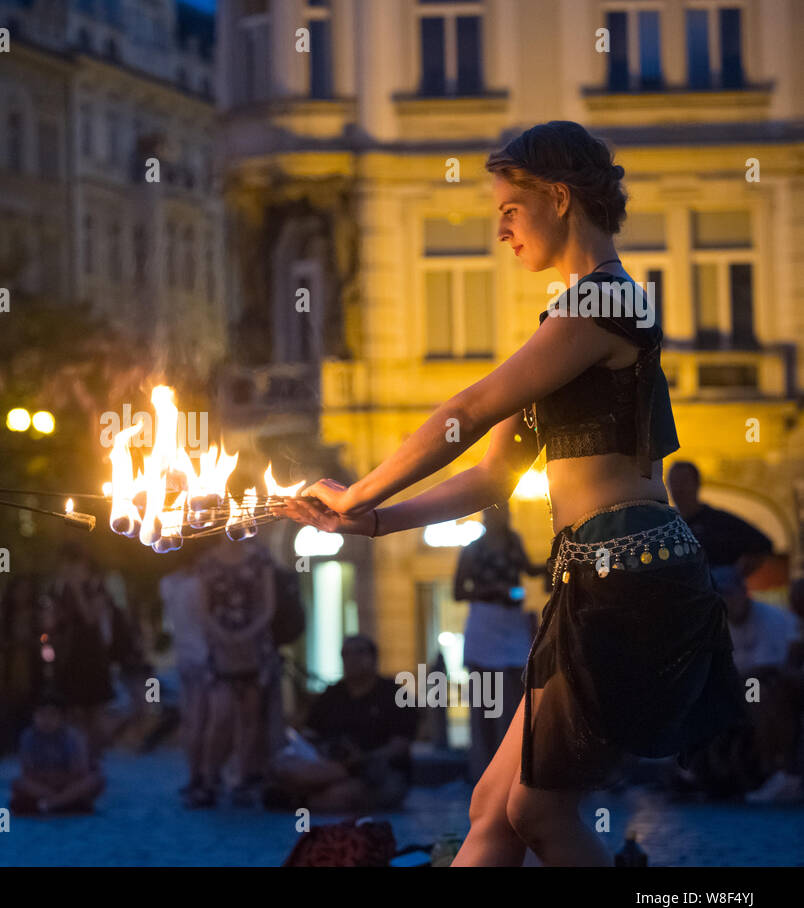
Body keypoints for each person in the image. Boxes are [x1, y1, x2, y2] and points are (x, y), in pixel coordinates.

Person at [287, 122, 748, 866]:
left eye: (509, 209)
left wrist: (352, 494)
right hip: (589, 582)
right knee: (490, 810)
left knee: (534, 810)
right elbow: (492, 476)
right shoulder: (569, 319)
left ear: (560, 198)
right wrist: (368, 521)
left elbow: (463, 415)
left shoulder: (611, 303)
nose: (499, 230)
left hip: (632, 581)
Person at [267, 635, 418, 813]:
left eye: (359, 653)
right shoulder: (332, 695)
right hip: (329, 764)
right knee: (284, 766)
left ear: (374, 658)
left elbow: (399, 746)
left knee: (342, 794)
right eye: (346, 654)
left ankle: (298, 800)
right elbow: (310, 733)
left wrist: (360, 759)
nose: (351, 659)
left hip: (377, 772)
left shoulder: (396, 695)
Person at [453, 502, 540, 783]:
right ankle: (483, 764)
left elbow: (527, 572)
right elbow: (458, 591)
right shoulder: (473, 549)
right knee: (484, 697)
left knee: (515, 694)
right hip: (484, 619)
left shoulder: (514, 541)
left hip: (511, 619)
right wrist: (491, 589)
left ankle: (513, 765)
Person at [187, 536, 276, 808]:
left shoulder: (260, 558)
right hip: (220, 649)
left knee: (250, 718)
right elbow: (203, 609)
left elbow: (268, 604)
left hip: (253, 647)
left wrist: (249, 634)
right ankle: (209, 777)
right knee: (221, 715)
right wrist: (223, 636)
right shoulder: (208, 562)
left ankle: (243, 779)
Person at [711, 566, 803, 802]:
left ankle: (776, 768)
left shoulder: (771, 618)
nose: (728, 601)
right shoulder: (718, 623)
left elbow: (768, 666)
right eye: (722, 596)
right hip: (740, 682)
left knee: (756, 693)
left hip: (769, 682)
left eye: (730, 594)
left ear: (744, 593)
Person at [50, 543, 115, 767]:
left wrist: (77, 591)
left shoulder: (96, 588)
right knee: (74, 711)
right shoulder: (60, 590)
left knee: (94, 711)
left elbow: (90, 619)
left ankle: (94, 758)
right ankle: (78, 757)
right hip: (70, 656)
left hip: (92, 655)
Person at [0, 574, 45, 779]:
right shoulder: (4, 618)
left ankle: (30, 768)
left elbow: (42, 643)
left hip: (30, 677)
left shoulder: (36, 616)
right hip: (8, 677)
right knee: (1, 721)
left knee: (28, 723)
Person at [159, 556, 211, 797]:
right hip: (202, 655)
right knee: (201, 721)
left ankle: (194, 774)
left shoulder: (168, 584)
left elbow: (169, 623)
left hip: (183, 655)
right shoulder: (198, 584)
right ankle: (201, 775)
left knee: (190, 720)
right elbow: (205, 619)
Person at [667, 461, 774, 576]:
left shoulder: (720, 522)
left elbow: (763, 544)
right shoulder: (666, 525)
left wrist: (733, 575)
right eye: (674, 482)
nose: (678, 488)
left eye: (684, 481)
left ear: (697, 484)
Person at [9, 691, 106, 815]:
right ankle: (66, 802)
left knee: (95, 780)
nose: (46, 720)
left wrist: (55, 777)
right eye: (41, 715)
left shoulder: (72, 737)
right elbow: (27, 772)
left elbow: (79, 771)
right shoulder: (28, 737)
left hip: (69, 784)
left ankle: (50, 804)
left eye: (52, 715)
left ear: (62, 718)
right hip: (42, 786)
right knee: (19, 783)